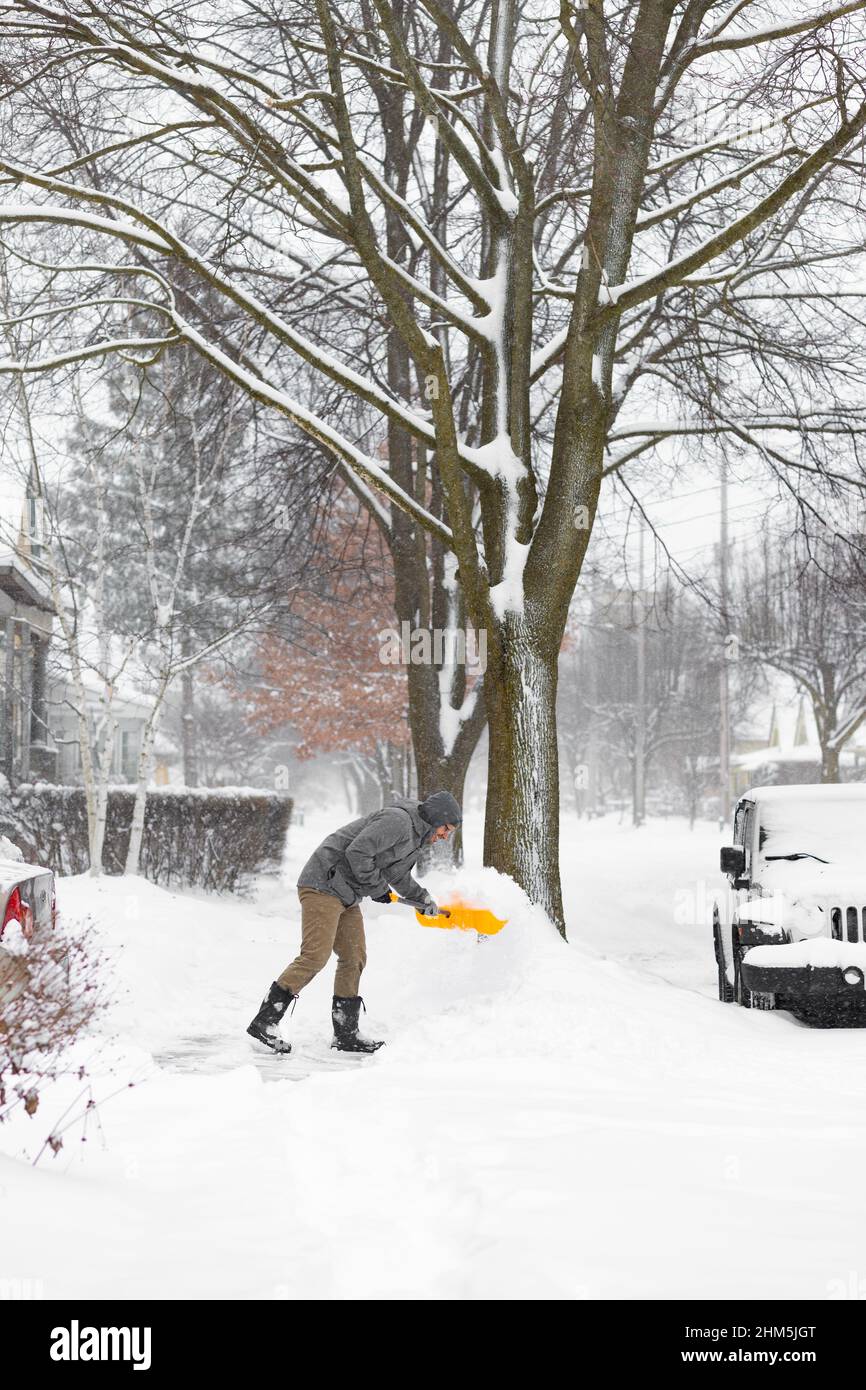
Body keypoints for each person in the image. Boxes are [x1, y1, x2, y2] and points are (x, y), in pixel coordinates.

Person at [246, 790, 462, 1055]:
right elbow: (357, 852)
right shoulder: (398, 822)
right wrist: (376, 887)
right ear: (436, 818)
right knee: (315, 956)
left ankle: (347, 1033)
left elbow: (396, 873)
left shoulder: (416, 837)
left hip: (347, 893)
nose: (445, 835)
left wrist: (422, 898)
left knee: (354, 956)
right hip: (324, 883)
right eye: (446, 828)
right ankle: (265, 1021)